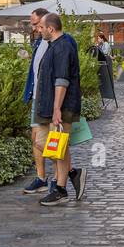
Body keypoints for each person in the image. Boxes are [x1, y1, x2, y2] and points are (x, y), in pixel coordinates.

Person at [33, 12, 85, 205]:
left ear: (51, 29)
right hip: (47, 105)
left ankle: (61, 189)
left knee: (59, 147)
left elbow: (61, 80)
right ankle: (72, 172)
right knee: (42, 142)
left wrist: (57, 108)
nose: (39, 30)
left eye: (41, 27)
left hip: (60, 106)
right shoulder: (51, 45)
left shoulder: (63, 47)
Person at [21, 7, 53, 196]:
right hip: (37, 96)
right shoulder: (39, 42)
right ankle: (42, 177)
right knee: (37, 139)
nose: (33, 28)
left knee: (51, 141)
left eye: (36, 24)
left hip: (46, 98)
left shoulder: (53, 42)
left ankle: (66, 174)